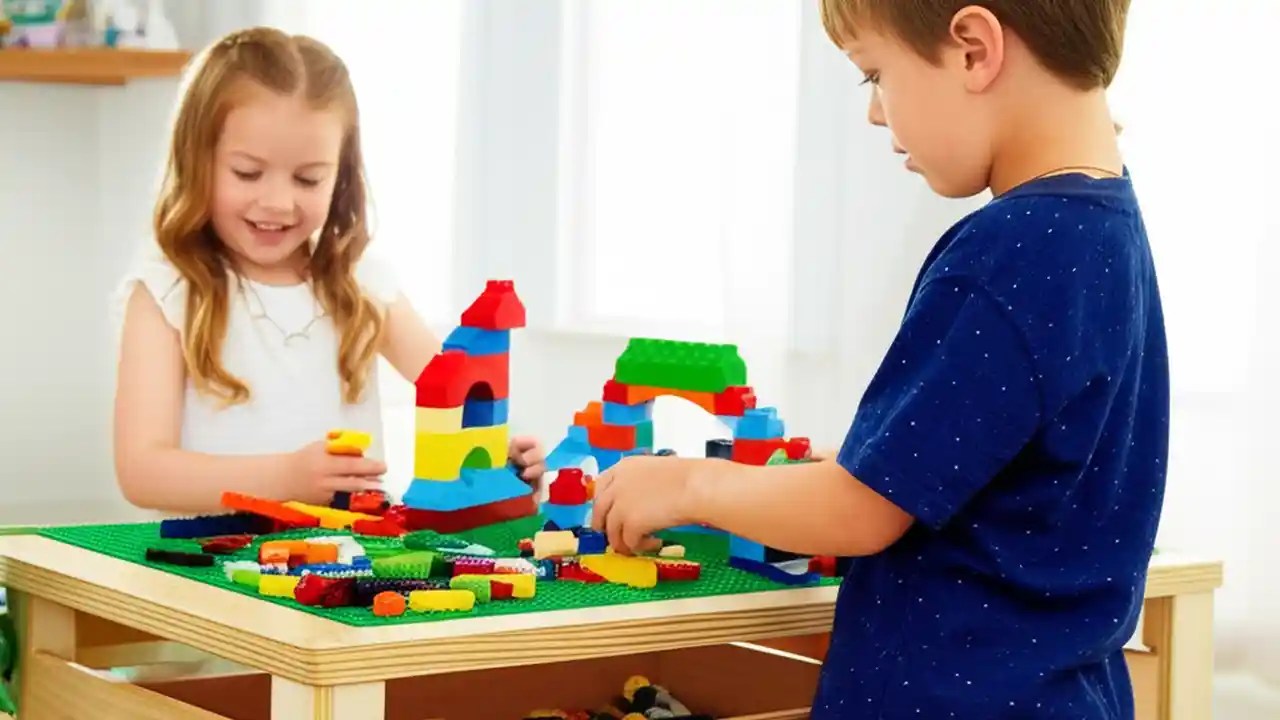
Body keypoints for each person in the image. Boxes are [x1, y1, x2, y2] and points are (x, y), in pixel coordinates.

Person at [591, 1, 1166, 717]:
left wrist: (687, 484)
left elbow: (861, 513)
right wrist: (877, 461)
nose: (872, 114)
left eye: (874, 75)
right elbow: (1034, 468)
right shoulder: (1104, 230)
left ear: (971, 49)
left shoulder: (1009, 251)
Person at [113, 27, 544, 515]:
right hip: (210, 571)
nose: (277, 202)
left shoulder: (362, 282)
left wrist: (503, 458)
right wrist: (286, 479)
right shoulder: (168, 291)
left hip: (350, 566)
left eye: (308, 178)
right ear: (197, 161)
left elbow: (457, 391)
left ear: (339, 177)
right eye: (248, 173)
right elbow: (142, 472)